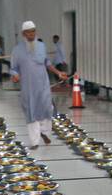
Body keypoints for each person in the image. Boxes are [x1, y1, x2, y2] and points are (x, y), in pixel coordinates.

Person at [9, 21, 68, 149]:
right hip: (28, 87)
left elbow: (46, 62)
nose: (31, 34)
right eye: (28, 32)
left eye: (33, 31)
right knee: (31, 111)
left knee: (47, 109)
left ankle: (45, 133)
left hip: (43, 85)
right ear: (23, 34)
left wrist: (58, 73)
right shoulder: (17, 50)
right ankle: (34, 142)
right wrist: (14, 75)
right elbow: (13, 68)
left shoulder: (41, 46)